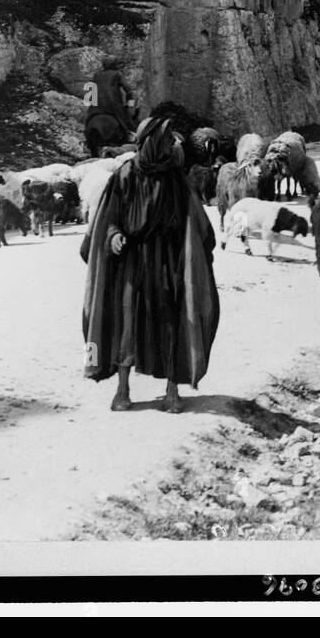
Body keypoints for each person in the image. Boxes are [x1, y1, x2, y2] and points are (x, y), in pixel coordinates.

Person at [80, 117, 219, 414]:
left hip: (168, 260)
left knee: (170, 322)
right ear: (152, 140)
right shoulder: (126, 174)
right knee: (128, 324)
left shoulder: (174, 178)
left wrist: (196, 244)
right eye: (167, 140)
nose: (172, 146)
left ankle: (172, 392)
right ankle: (122, 390)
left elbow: (195, 218)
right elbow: (108, 218)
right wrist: (114, 235)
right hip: (133, 259)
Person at [89, 56, 137, 135]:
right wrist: (130, 104)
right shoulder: (117, 74)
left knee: (89, 118)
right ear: (114, 64)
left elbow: (91, 91)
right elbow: (128, 89)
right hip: (113, 106)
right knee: (127, 120)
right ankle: (128, 134)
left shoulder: (96, 75)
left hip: (95, 106)